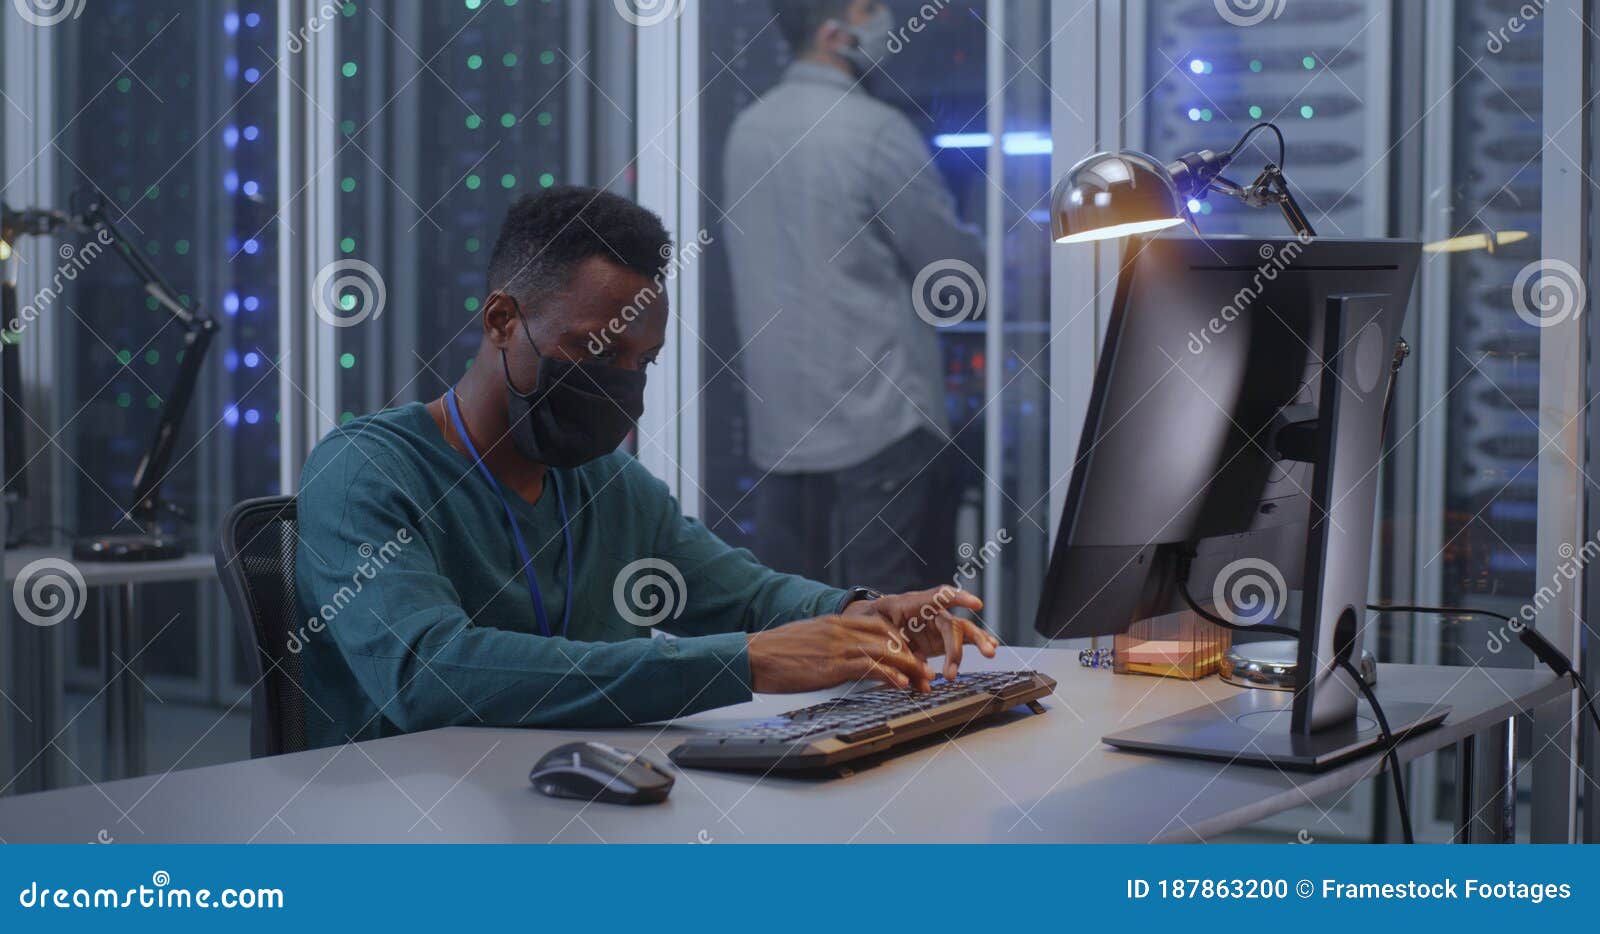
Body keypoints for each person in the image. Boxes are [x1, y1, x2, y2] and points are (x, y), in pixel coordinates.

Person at [293, 186, 996, 748]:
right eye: (597, 351)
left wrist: (861, 615)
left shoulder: (605, 483)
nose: (622, 385)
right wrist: (744, 663)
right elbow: (427, 672)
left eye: (641, 362)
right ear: (502, 321)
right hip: (401, 829)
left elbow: (747, 597)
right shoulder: (365, 473)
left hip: (564, 815)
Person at [721, 0, 984, 591]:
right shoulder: (874, 130)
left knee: (799, 628)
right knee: (901, 632)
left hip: (783, 430)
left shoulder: (747, 130)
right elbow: (955, 269)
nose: (885, 18)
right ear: (834, 34)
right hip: (882, 422)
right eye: (869, 8)